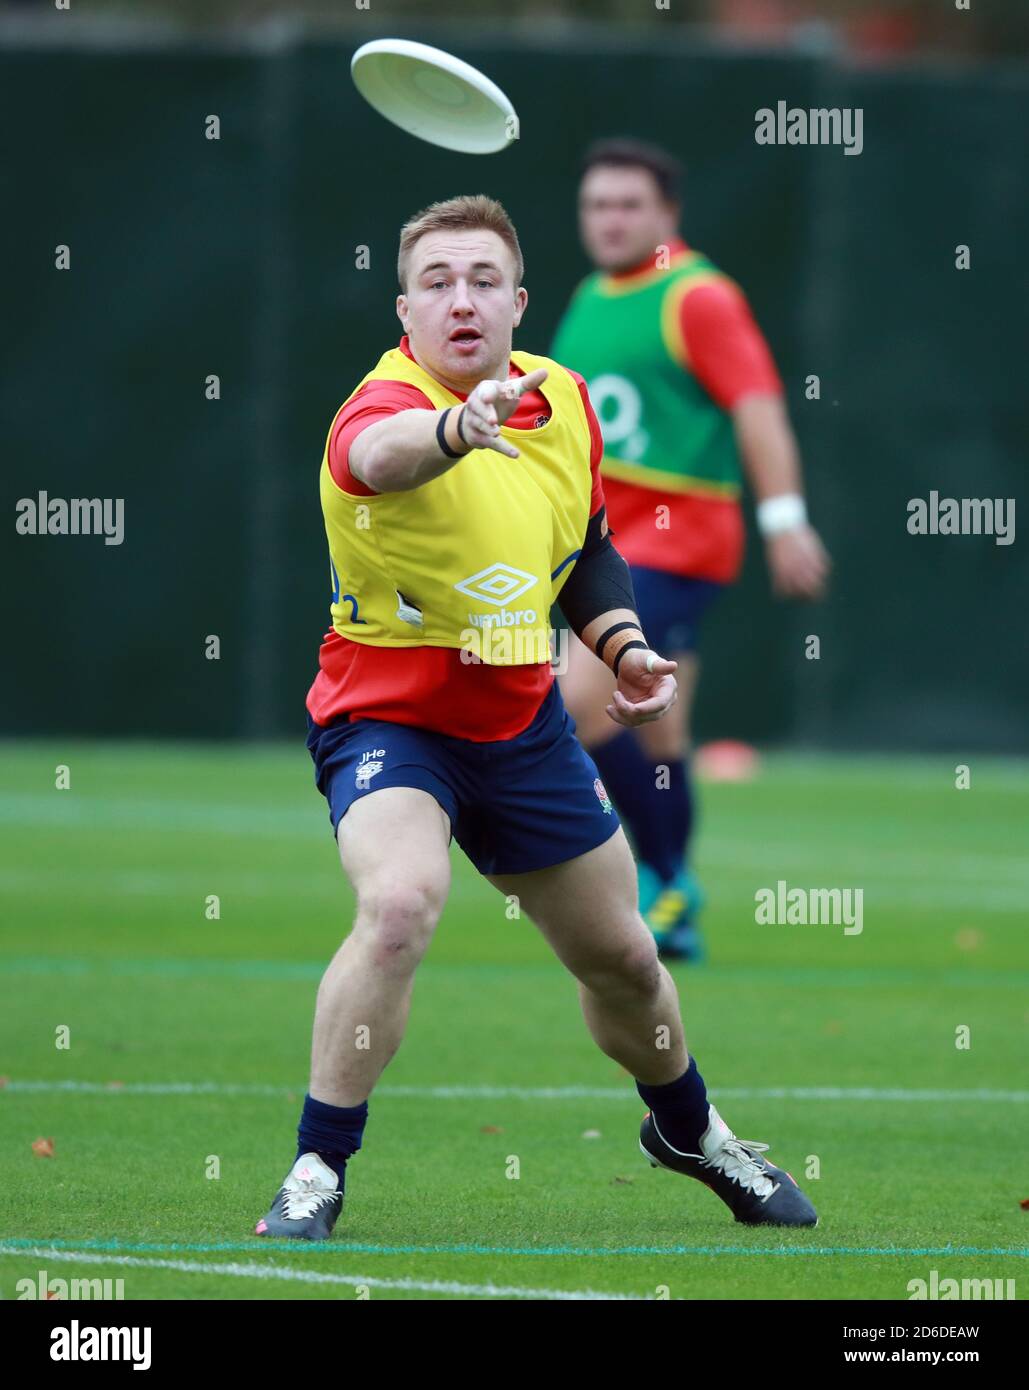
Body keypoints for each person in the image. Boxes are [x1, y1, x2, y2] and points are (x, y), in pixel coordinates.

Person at [254, 194, 817, 1240]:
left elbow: (587, 549)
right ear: (404, 312)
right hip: (388, 722)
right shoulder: (378, 409)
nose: (460, 301)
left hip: (523, 727)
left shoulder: (561, 399)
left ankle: (692, 1131)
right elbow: (382, 458)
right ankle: (317, 1167)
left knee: (627, 962)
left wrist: (624, 647)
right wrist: (456, 428)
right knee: (400, 903)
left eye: (483, 281)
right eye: (435, 284)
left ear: (519, 303)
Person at [552, 139, 831, 961]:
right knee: (657, 735)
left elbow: (757, 406)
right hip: (601, 545)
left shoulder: (697, 296)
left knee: (576, 707)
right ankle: (674, 889)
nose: (609, 220)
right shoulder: (591, 295)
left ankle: (653, 881)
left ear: (668, 213)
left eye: (628, 205)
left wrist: (784, 520)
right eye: (596, 205)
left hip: (673, 544)